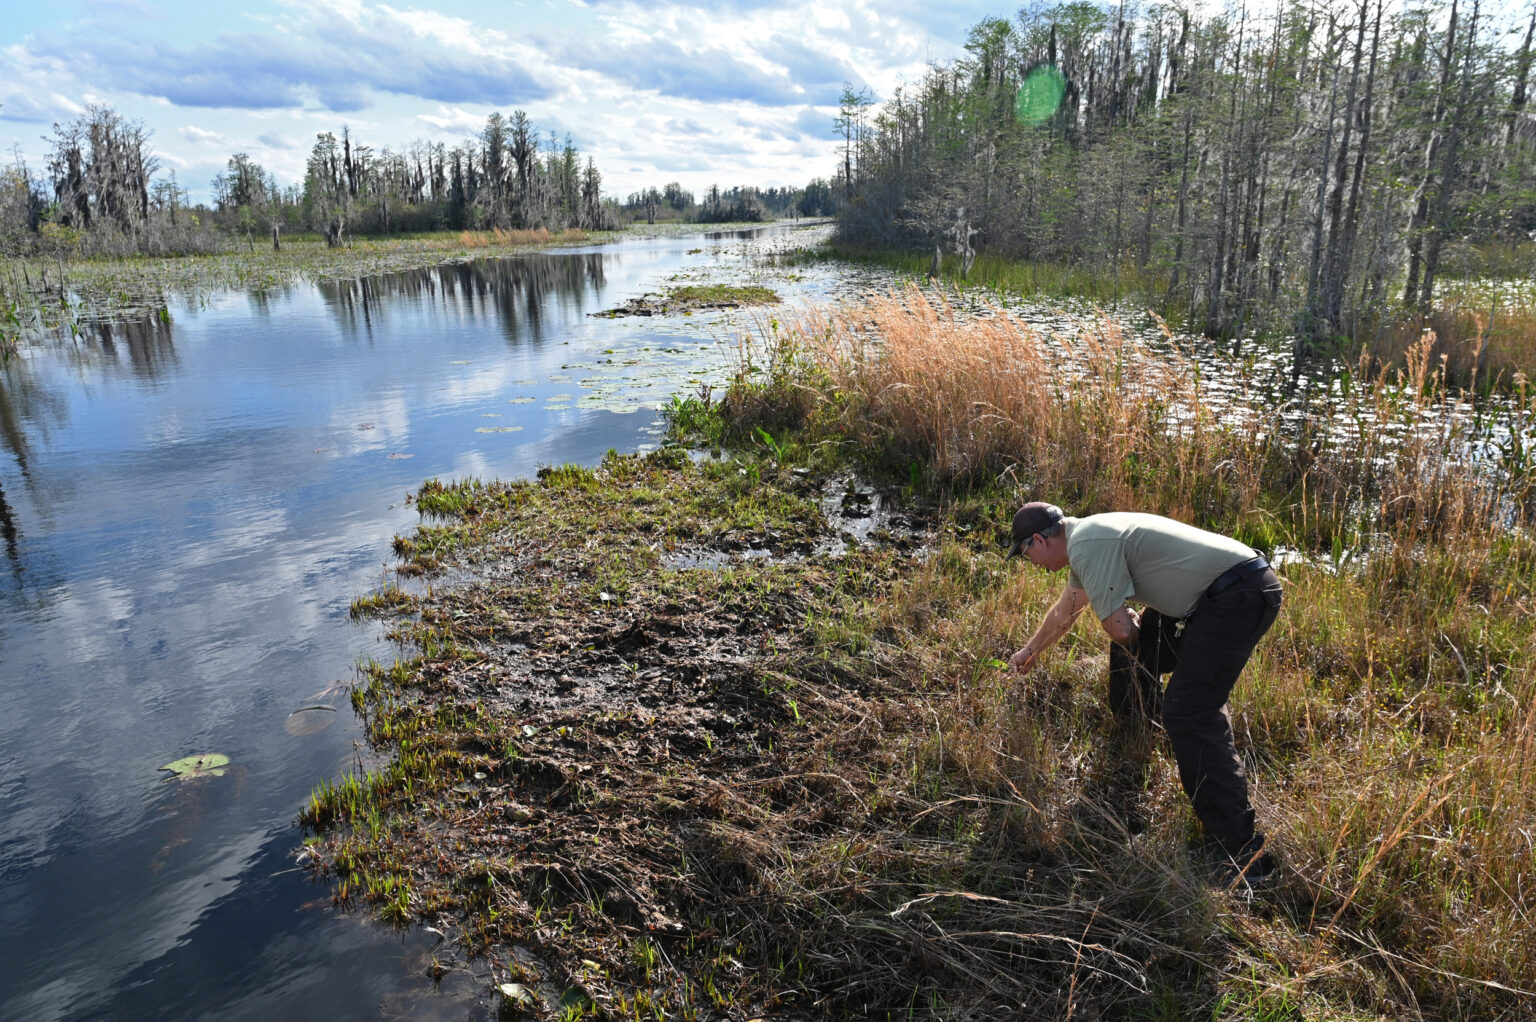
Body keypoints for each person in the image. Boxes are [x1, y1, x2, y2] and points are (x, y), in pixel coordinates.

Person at [1005, 502, 1283, 878]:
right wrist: (1029, 652)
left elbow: (1121, 630)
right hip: (1216, 595)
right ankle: (1135, 739)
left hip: (1235, 597)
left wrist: (1129, 628)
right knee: (1134, 655)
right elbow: (1065, 611)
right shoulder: (1087, 537)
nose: (1030, 563)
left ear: (1039, 540)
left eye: (1025, 554)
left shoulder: (1088, 544)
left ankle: (1246, 854)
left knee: (1190, 712)